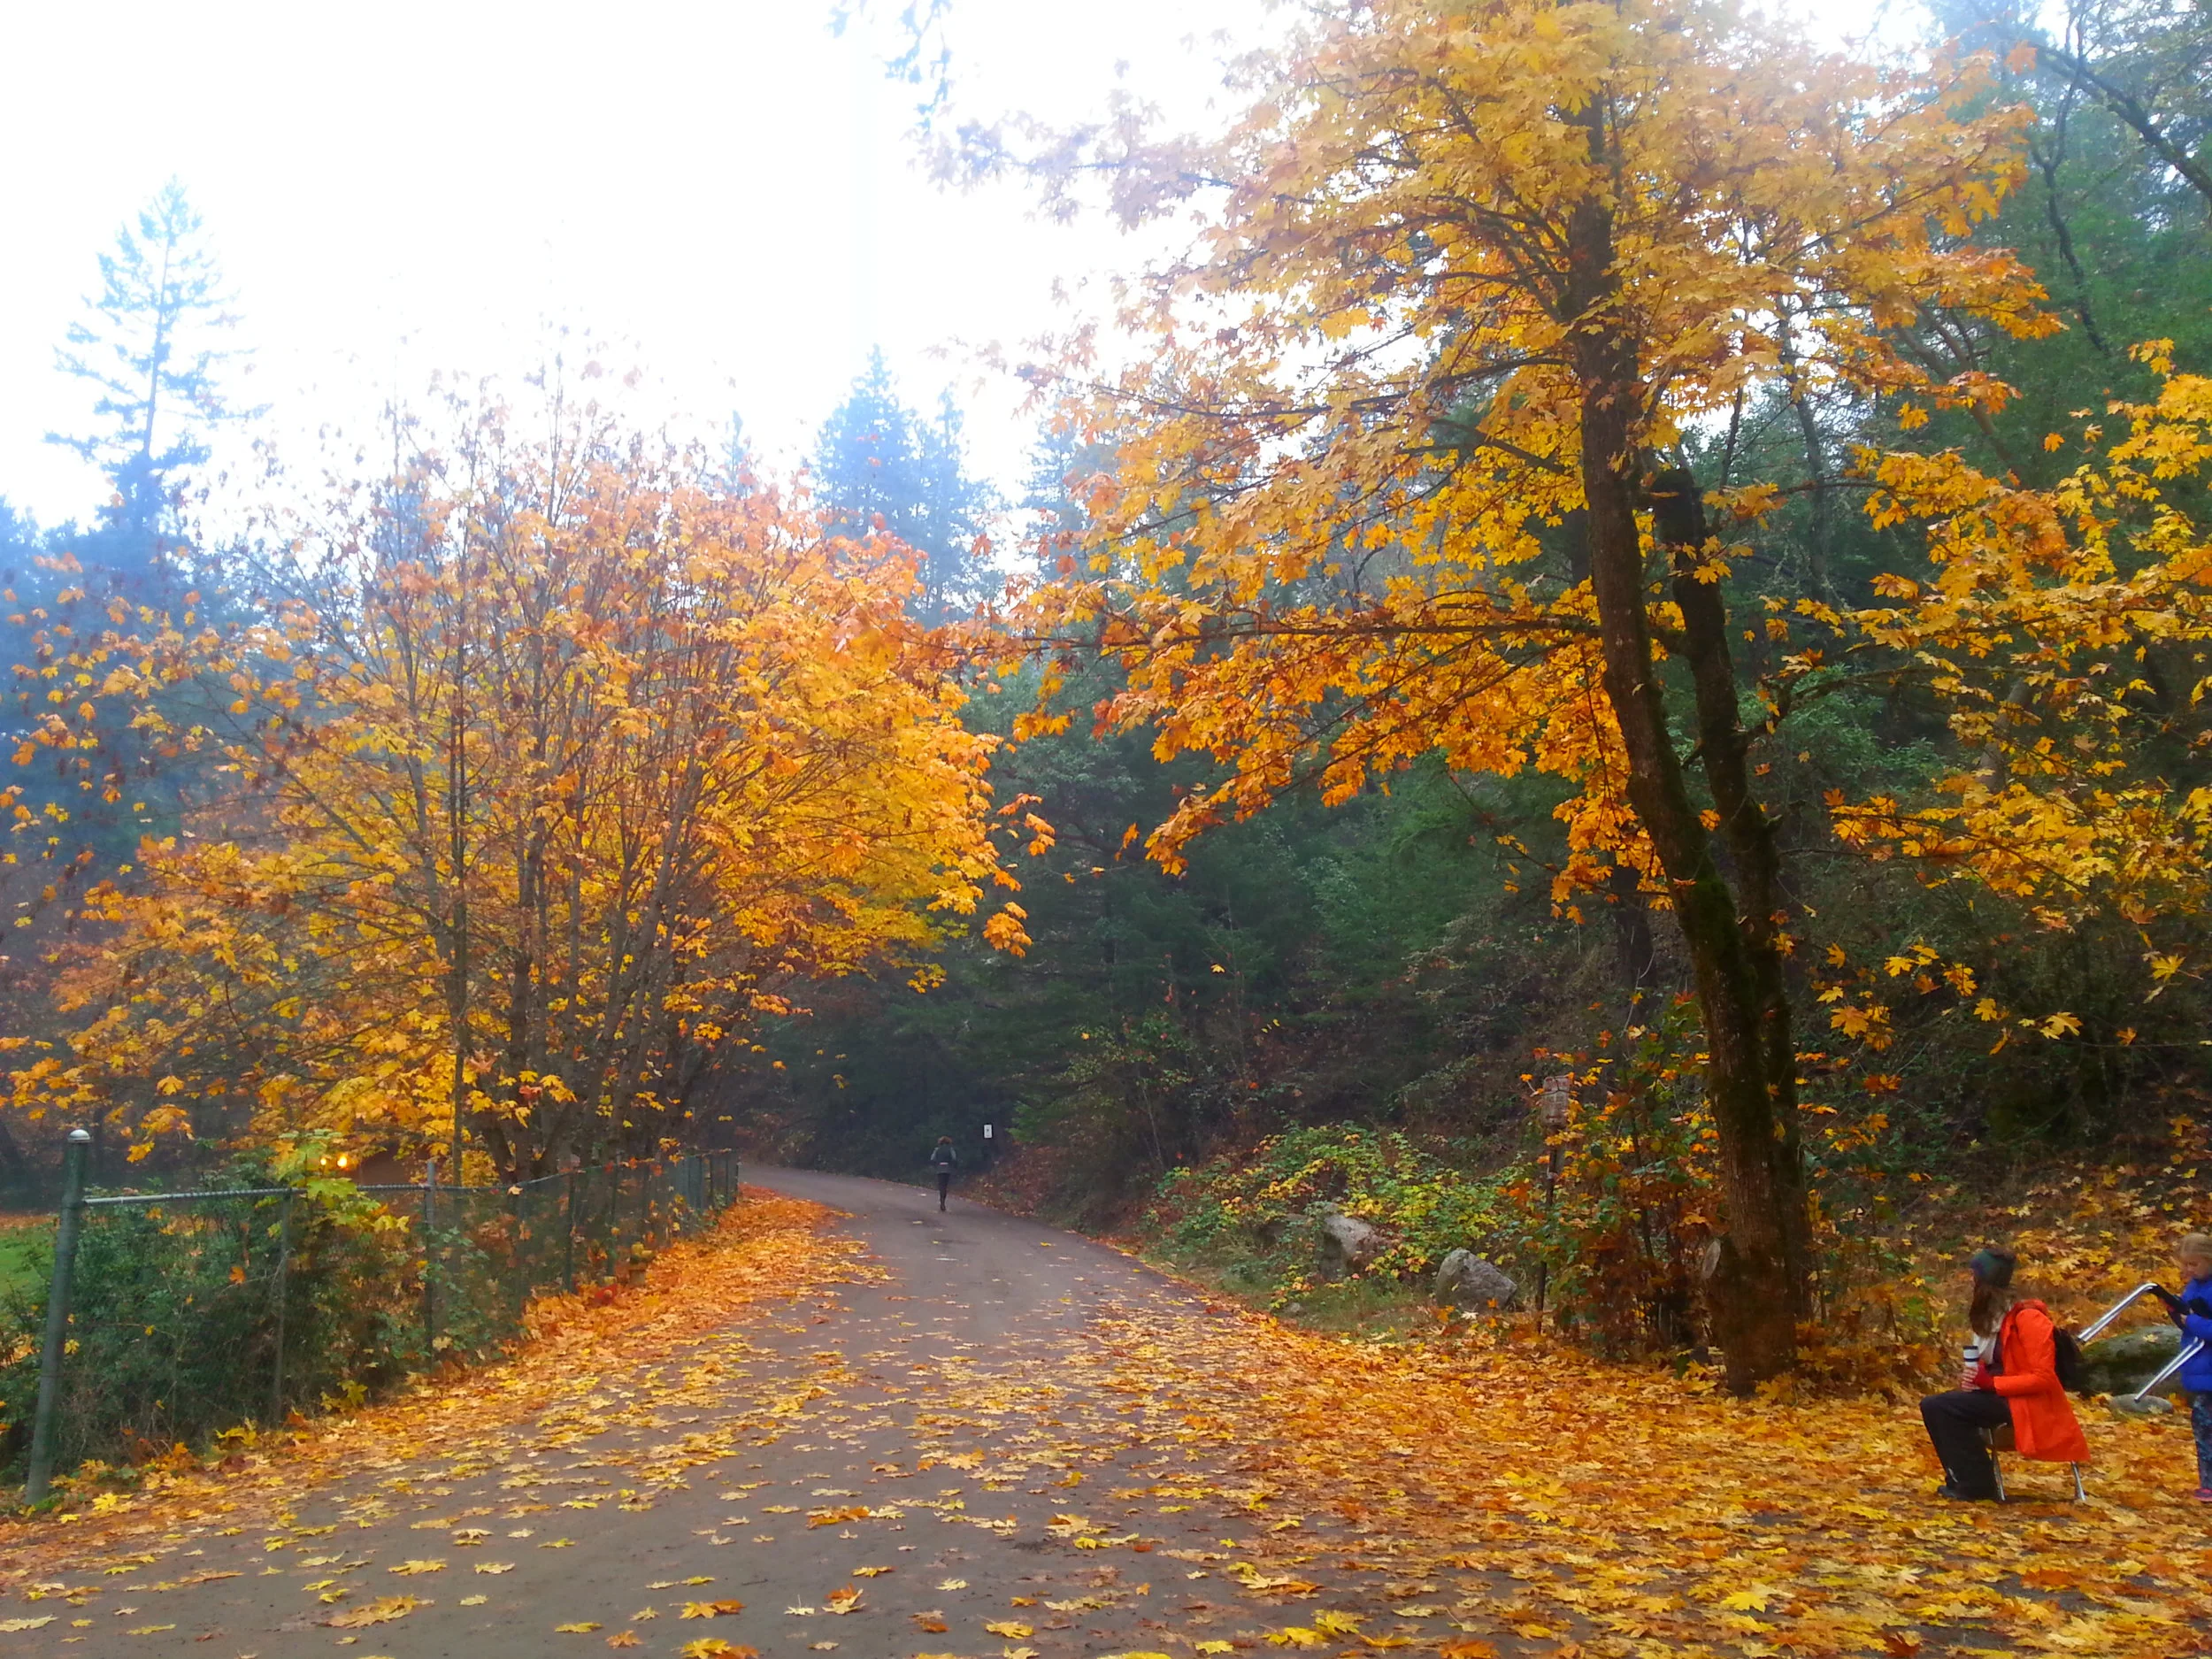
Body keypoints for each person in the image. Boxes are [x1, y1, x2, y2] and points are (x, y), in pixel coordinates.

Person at [1918, 1244, 2089, 1501]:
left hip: (2030, 1403)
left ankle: (1974, 1484)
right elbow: (1998, 1363)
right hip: (2003, 1396)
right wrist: (1977, 1377)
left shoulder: (2029, 1318)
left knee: (1940, 1406)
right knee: (1939, 1406)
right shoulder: (1993, 1316)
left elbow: (2043, 1378)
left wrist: (1991, 1384)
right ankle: (1970, 1480)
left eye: (1974, 1275)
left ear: (1984, 1280)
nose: (1969, 1280)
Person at [2157, 1232, 2212, 1502]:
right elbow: (2187, 1320)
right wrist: (2175, 1311)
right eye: (2186, 1265)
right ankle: (2208, 1483)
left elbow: (2200, 1324)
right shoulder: (2193, 1287)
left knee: (2206, 1423)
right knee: (2202, 1426)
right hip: (2200, 1367)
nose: (2189, 1270)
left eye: (2194, 1264)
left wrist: (2191, 1321)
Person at [928, 1135, 958, 1211]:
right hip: (948, 1169)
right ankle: (943, 1200)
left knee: (941, 1185)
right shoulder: (950, 1149)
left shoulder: (937, 1150)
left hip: (939, 1169)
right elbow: (954, 1158)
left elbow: (932, 1159)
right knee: (945, 1185)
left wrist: (936, 1164)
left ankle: (942, 1201)